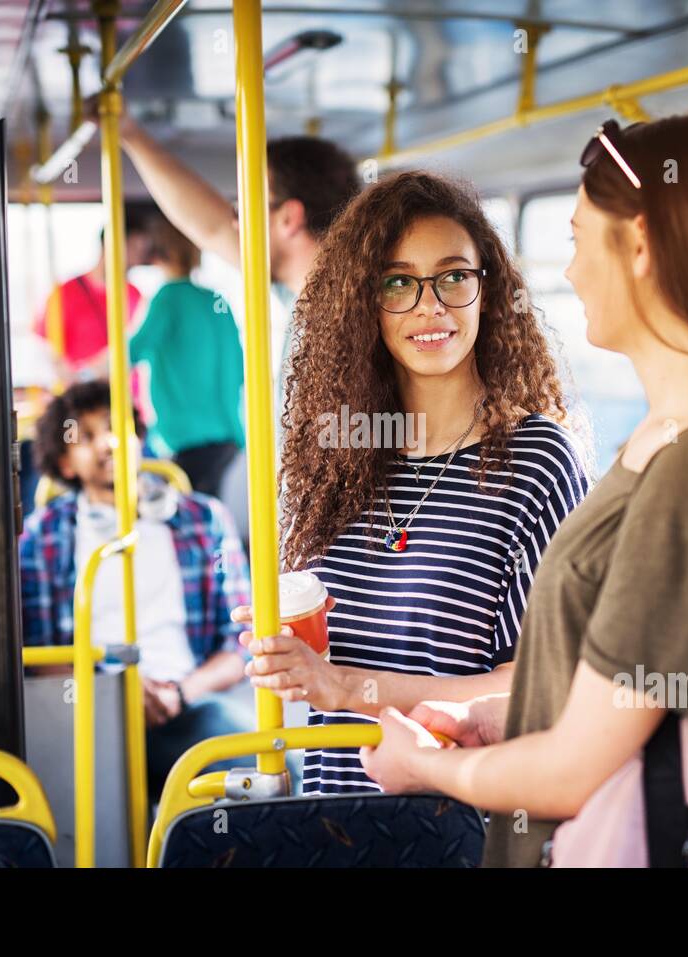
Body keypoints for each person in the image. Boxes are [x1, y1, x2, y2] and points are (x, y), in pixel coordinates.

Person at [358, 110, 688, 867]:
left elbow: (581, 769)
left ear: (638, 245)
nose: (569, 271)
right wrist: (493, 715)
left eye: (577, 237)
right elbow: (633, 707)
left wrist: (428, 767)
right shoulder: (682, 436)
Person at [236, 171, 591, 794]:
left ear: (489, 290)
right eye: (398, 282)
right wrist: (290, 655)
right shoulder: (339, 453)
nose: (431, 306)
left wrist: (344, 687)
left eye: (454, 276)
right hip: (336, 814)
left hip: (457, 820)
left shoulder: (537, 462)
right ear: (362, 303)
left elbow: (548, 682)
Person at [18, 380, 256, 797]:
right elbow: (39, 652)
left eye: (115, 427)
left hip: (188, 700)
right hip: (88, 707)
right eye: (86, 437)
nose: (108, 443)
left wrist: (179, 693)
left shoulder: (204, 520)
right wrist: (117, 692)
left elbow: (241, 641)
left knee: (268, 770)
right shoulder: (44, 536)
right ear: (66, 463)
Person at [115, 114, 361, 384]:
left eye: (245, 207)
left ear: (288, 218)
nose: (235, 220)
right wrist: (130, 134)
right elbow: (212, 227)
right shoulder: (304, 297)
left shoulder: (349, 322)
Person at [129, 206, 245, 499]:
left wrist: (83, 372)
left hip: (185, 439)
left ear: (157, 250)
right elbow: (240, 369)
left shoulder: (167, 298)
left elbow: (129, 353)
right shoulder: (217, 300)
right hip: (229, 437)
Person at [33, 202, 158, 386]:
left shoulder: (134, 295)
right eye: (135, 249)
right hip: (85, 399)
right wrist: (74, 377)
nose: (139, 259)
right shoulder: (65, 293)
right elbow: (44, 346)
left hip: (124, 399)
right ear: (113, 244)